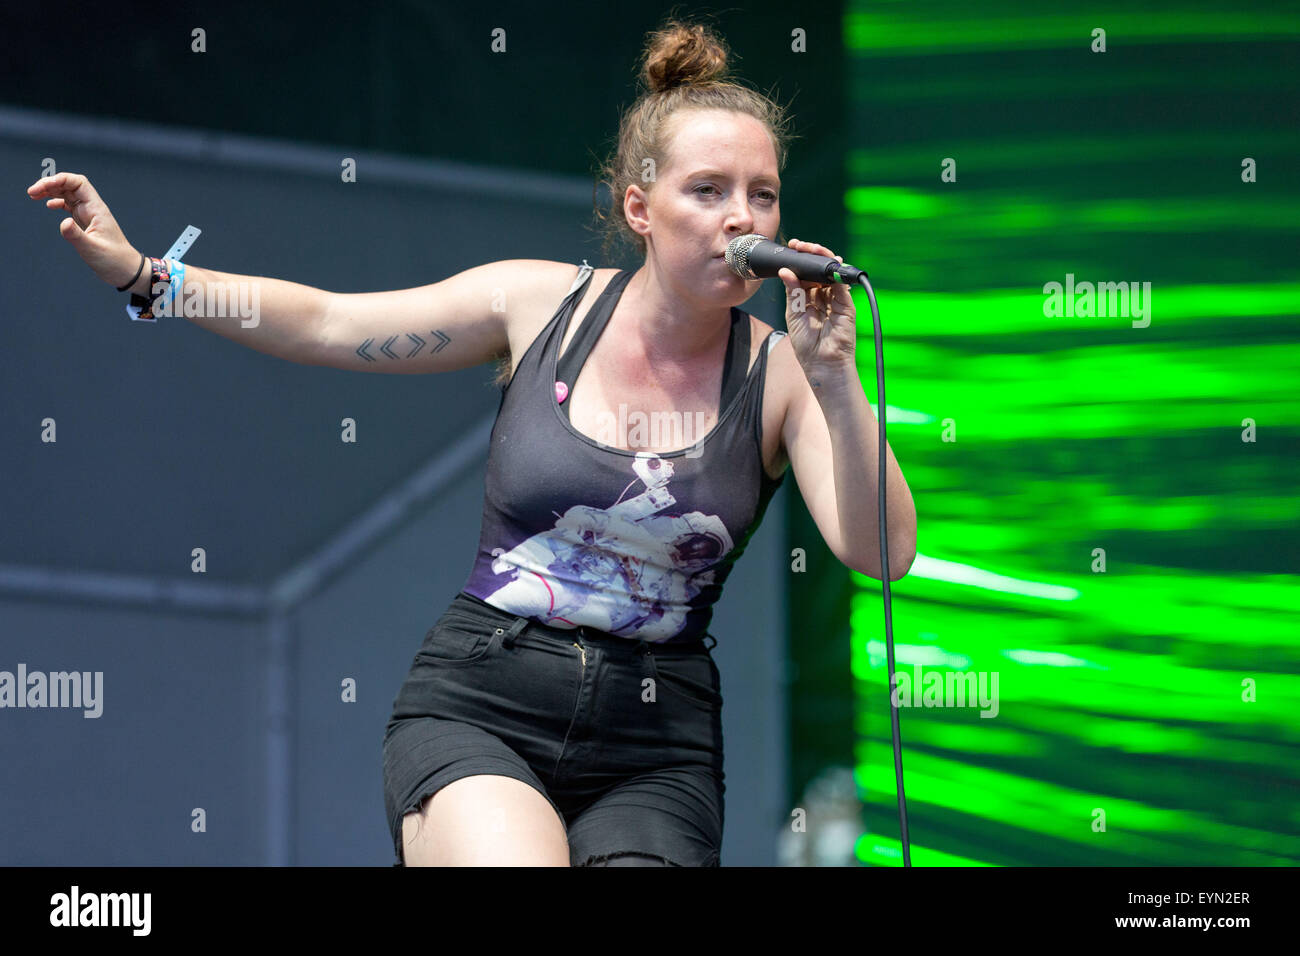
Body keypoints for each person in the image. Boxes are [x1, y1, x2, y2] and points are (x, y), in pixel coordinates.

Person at [26, 17, 917, 866]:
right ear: (639, 207)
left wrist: (839, 382)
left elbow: (882, 556)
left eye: (762, 194)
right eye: (709, 191)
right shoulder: (536, 304)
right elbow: (333, 322)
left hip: (658, 741)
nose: (743, 219)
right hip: (484, 698)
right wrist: (151, 277)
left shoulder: (787, 372)